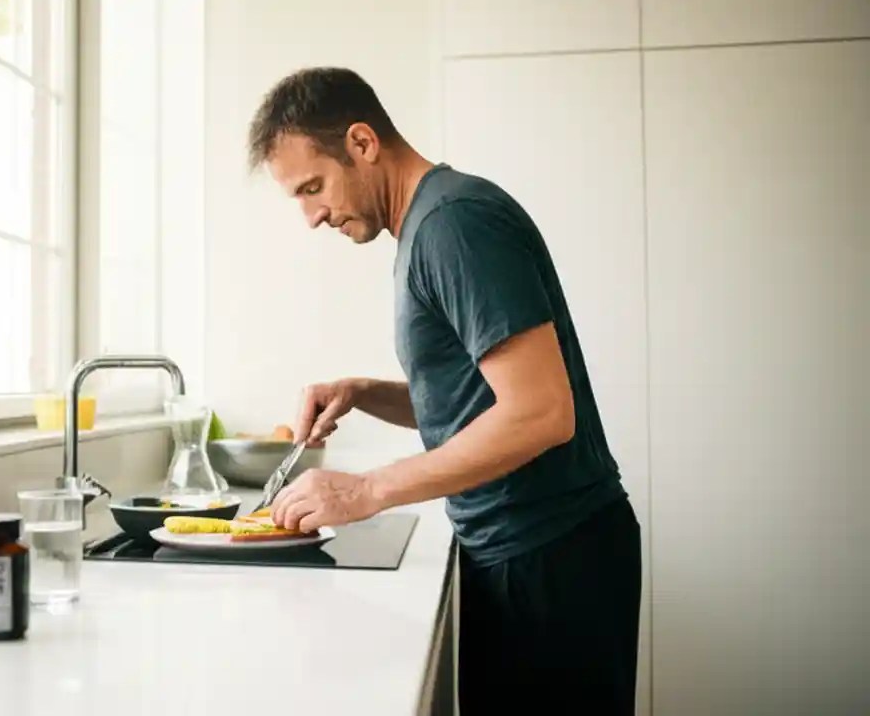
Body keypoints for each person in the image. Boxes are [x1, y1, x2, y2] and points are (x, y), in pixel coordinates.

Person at [247, 66, 641, 713]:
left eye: (313, 187)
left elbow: (542, 412)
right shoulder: (426, 230)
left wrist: (367, 490)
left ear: (363, 143)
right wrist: (364, 391)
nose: (312, 217)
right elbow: (481, 401)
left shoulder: (454, 224)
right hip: (519, 551)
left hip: (552, 557)